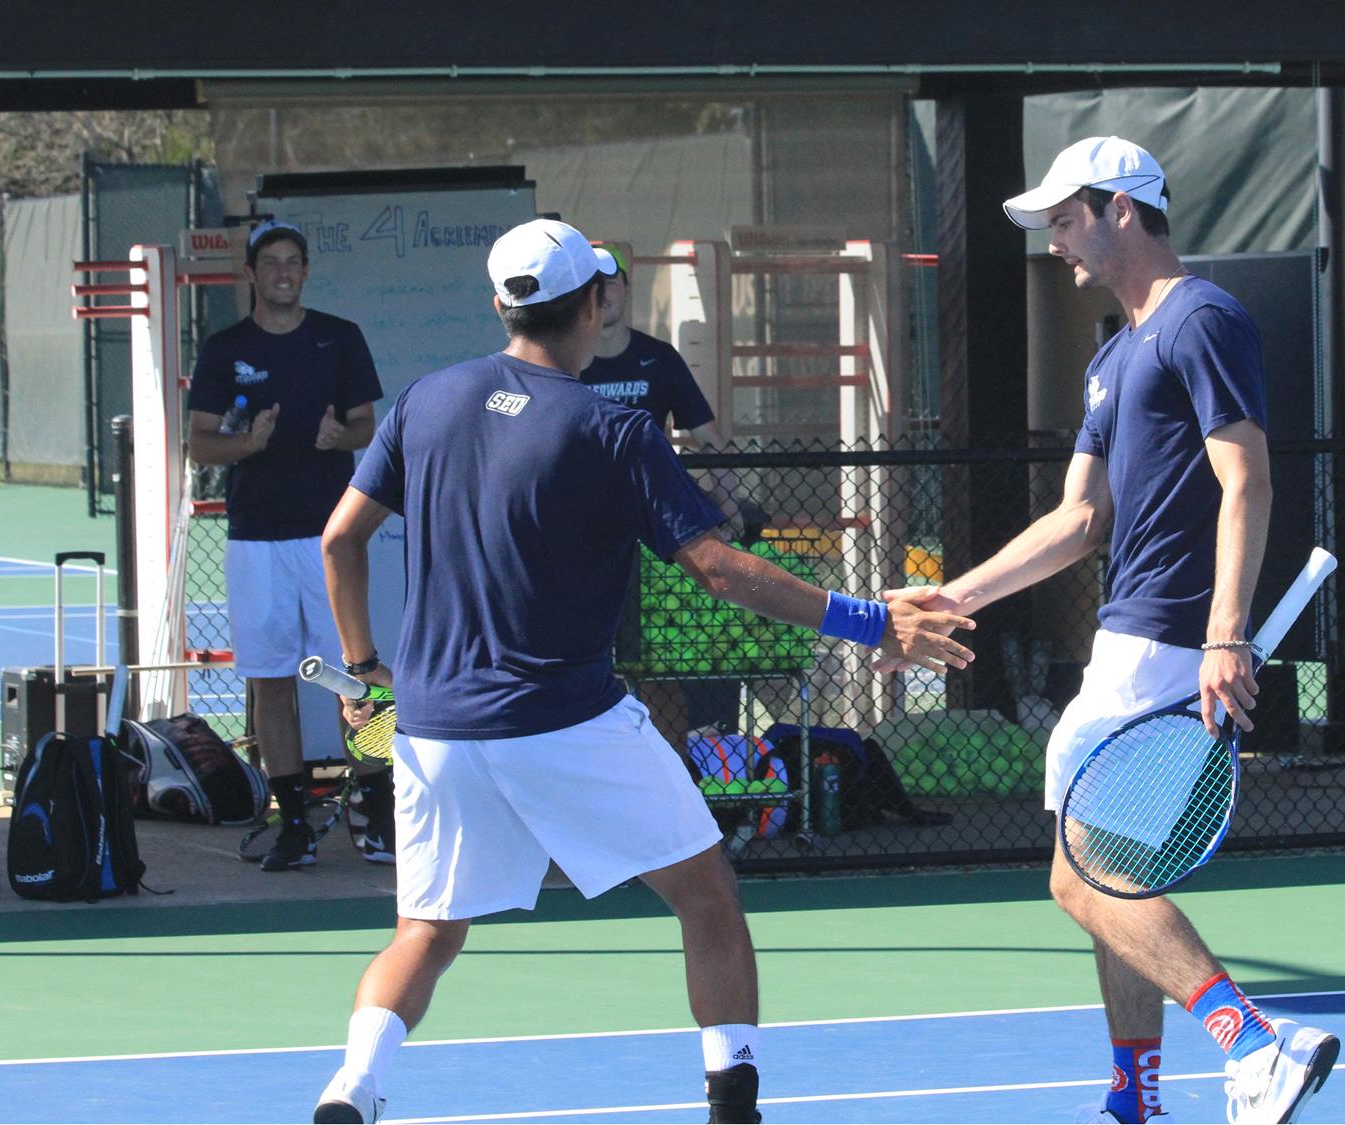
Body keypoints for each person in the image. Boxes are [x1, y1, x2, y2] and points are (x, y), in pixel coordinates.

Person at [310, 219, 974, 1125]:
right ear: (593, 302)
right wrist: (869, 621)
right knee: (706, 895)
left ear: (502, 305)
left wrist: (363, 668)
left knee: (425, 933)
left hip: (433, 725)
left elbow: (340, 537)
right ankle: (733, 1103)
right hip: (569, 720)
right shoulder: (613, 427)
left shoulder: (426, 399)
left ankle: (353, 1084)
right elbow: (719, 567)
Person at [879, 137, 1338, 1125]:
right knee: (1106, 872)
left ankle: (1254, 1044)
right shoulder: (1111, 355)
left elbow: (1244, 477)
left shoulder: (1199, 319)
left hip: (1174, 640)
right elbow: (1077, 522)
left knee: (1080, 878)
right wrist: (950, 596)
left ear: (1120, 208)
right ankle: (1135, 1100)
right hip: (1127, 640)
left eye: (1064, 217)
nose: (1054, 241)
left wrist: (1223, 635)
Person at [185, 218, 392, 872]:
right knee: (272, 684)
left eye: (293, 261)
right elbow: (199, 443)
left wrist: (342, 438)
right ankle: (295, 820)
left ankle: (377, 811)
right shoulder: (224, 349)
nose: (282, 272)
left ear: (304, 271)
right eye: (269, 261)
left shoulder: (340, 338)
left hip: (332, 539)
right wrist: (247, 445)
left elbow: (367, 424)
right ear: (251, 273)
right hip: (256, 542)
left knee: (358, 681)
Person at [580, 241, 745, 747]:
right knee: (582, 668)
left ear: (626, 289)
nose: (605, 292)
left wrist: (731, 503)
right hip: (579, 537)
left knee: (653, 669)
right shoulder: (564, 364)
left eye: (613, 281)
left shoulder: (659, 358)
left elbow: (709, 437)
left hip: (650, 539)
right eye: (594, 283)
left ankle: (672, 774)